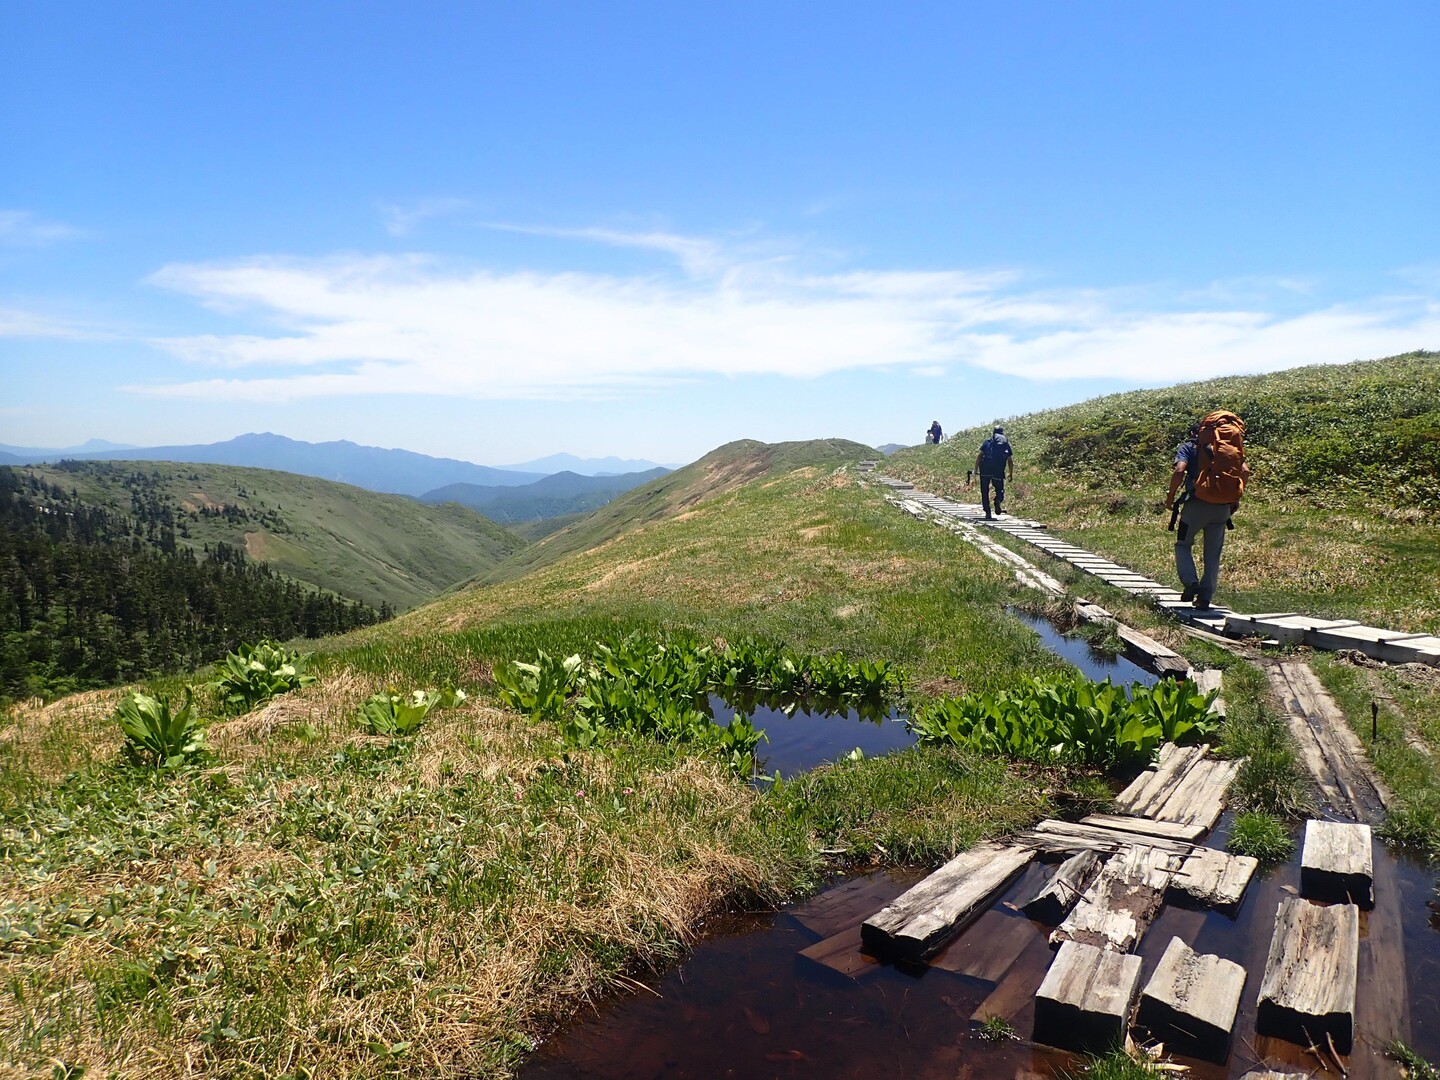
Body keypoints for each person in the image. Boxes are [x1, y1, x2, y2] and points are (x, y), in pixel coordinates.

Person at [1165, 415, 1244, 610]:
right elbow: (1245, 472)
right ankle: (1205, 598)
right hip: (1222, 509)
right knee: (1212, 555)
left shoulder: (1189, 448)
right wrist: (1234, 498)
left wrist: (1171, 495)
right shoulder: (1230, 449)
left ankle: (1191, 583)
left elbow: (1179, 471)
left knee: (1183, 544)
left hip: (1195, 506)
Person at [973, 425, 1013, 519]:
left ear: (993, 432)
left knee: (985, 490)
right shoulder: (1005, 443)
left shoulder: (988, 442)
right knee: (1000, 488)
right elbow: (1010, 460)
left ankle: (987, 511)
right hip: (998, 469)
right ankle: (998, 499)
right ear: (1002, 432)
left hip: (985, 469)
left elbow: (980, 455)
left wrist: (976, 468)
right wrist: (1010, 473)